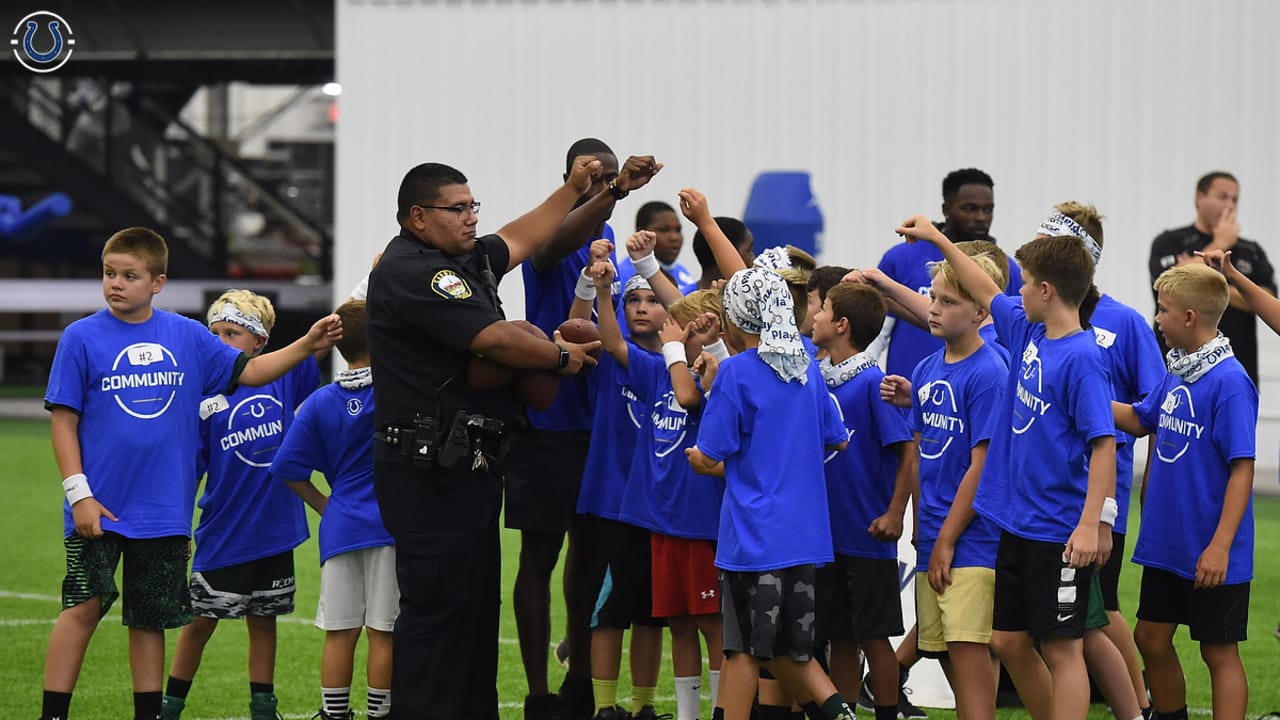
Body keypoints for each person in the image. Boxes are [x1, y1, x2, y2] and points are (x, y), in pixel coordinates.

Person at [40, 226, 341, 720]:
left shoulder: (188, 335)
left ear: (157, 282)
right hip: (98, 506)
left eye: (129, 275)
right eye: (109, 274)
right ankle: (52, 714)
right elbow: (64, 422)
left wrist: (307, 344)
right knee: (83, 607)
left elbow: (252, 371)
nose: (116, 283)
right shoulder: (80, 338)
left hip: (163, 513)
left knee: (150, 619)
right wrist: (79, 494)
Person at [365, 159, 602, 720]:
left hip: (466, 465)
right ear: (418, 216)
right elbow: (495, 340)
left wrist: (575, 190)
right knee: (439, 614)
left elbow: (522, 235)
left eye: (475, 206)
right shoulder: (416, 271)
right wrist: (560, 355)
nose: (472, 218)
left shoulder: (461, 257)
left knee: (473, 611)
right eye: (459, 208)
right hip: (428, 473)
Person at [896, 214, 1116, 720]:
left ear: (1044, 289)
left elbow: (1103, 445)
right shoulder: (1026, 330)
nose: (1012, 295)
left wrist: (1092, 524)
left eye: (1021, 284)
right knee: (1009, 639)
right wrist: (936, 238)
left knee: (1064, 650)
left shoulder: (1082, 358)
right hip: (1016, 524)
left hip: (1058, 529)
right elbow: (979, 284)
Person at [507, 139, 662, 720]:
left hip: (600, 429)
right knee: (539, 556)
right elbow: (553, 245)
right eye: (590, 178)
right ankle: (537, 693)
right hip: (547, 421)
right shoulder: (554, 245)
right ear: (568, 180)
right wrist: (612, 192)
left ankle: (577, 684)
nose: (603, 188)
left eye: (610, 178)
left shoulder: (609, 259)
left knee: (591, 558)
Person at [685, 267, 855, 720]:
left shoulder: (737, 373)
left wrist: (706, 398)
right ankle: (841, 712)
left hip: (753, 535)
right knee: (787, 647)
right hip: (804, 535)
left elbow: (708, 455)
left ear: (737, 319)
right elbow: (835, 436)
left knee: (741, 648)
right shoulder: (806, 364)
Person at [161, 289, 323, 720]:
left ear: (259, 341)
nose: (220, 341)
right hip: (224, 530)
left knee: (264, 621)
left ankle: (263, 707)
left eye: (232, 333)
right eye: (214, 333)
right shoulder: (202, 392)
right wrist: (178, 528)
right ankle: (170, 705)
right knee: (200, 622)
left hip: (275, 528)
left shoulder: (289, 373)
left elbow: (320, 347)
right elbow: (192, 472)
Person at [1114, 263, 1256, 720]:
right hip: (1168, 544)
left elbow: (1242, 469)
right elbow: (1140, 419)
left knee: (1218, 651)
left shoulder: (1230, 382)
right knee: (1150, 638)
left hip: (1212, 548)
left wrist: (1219, 547)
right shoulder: (1178, 370)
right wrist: (1082, 394)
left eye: (1163, 311)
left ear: (1190, 317)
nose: (1157, 319)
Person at [1040, 203, 1162, 718]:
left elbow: (1153, 411)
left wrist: (1085, 402)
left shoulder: (1126, 323)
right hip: (1041, 493)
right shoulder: (1031, 310)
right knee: (1078, 622)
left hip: (1096, 495)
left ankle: (1141, 704)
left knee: (1099, 611)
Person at [879, 253, 1007, 720]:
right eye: (932, 298)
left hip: (972, 542)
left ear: (980, 313)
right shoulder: (930, 367)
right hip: (934, 533)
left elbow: (983, 465)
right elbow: (920, 453)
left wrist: (948, 540)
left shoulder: (990, 372)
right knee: (951, 655)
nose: (932, 308)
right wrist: (919, 524)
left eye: (948, 301)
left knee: (970, 658)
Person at [271, 299, 398, 720]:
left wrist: (327, 505)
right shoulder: (395, 391)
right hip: (390, 526)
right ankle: (380, 714)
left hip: (341, 526)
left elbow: (287, 467)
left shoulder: (322, 401)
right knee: (384, 633)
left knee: (340, 632)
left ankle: (334, 714)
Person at [809, 283, 913, 720]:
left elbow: (907, 449)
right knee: (839, 637)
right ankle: (846, 713)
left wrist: (894, 513)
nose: (814, 316)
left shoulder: (874, 383)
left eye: (823, 309)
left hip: (867, 534)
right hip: (826, 535)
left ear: (841, 325)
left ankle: (887, 713)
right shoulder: (816, 376)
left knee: (873, 637)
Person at [876, 168, 1022, 379]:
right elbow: (877, 333)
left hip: (972, 394)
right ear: (947, 209)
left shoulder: (1005, 268)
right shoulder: (901, 258)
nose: (981, 218)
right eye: (970, 209)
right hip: (909, 390)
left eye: (988, 209)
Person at [1149, 171, 1275, 387]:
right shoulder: (1170, 241)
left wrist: (1212, 288)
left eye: (1235, 199)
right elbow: (1170, 282)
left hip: (1234, 372)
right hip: (1176, 370)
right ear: (1200, 198)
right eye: (1222, 197)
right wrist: (1220, 242)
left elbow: (1266, 300)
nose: (1230, 206)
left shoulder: (1250, 251)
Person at [616, 200, 698, 294]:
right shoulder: (624, 274)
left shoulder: (682, 271)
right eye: (664, 230)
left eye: (678, 230)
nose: (674, 237)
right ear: (641, 232)